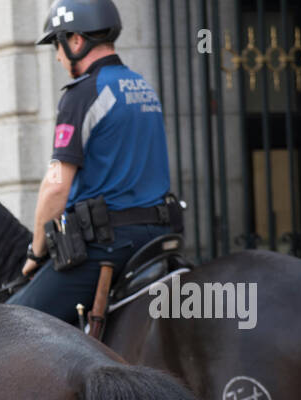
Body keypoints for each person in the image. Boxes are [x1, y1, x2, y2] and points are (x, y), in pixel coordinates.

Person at [9, 0, 178, 326]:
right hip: (159, 237)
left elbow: (56, 186)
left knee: (12, 324)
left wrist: (36, 252)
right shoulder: (142, 87)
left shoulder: (82, 94)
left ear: (76, 40)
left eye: (57, 45)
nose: (58, 56)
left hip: (109, 246)